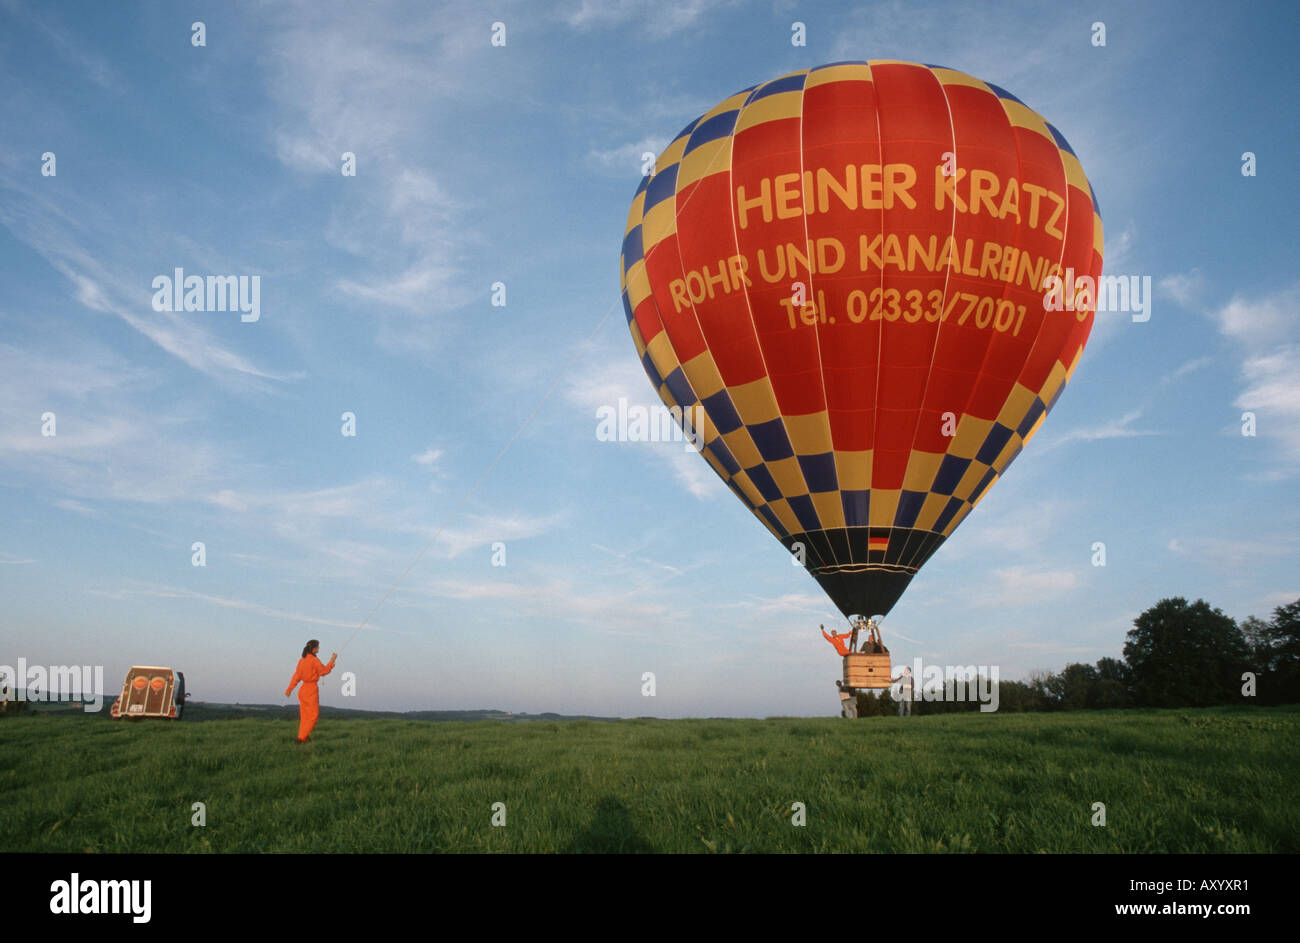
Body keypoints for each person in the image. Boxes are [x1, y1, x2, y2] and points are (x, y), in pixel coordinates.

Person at [285, 639, 337, 743]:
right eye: (318, 647)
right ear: (313, 649)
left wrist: (289, 689)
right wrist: (332, 660)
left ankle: (304, 736)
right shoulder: (314, 660)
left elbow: (296, 676)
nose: (319, 649)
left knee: (305, 717)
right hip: (311, 689)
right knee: (313, 715)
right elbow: (323, 671)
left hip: (302, 690)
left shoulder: (302, 660)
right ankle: (301, 738)